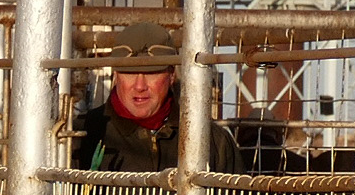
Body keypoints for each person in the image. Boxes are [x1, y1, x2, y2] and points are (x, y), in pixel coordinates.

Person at [73, 20, 243, 173]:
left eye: (152, 73)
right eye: (130, 73)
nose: (140, 86)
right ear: (116, 75)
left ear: (171, 75)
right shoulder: (81, 136)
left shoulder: (214, 142)